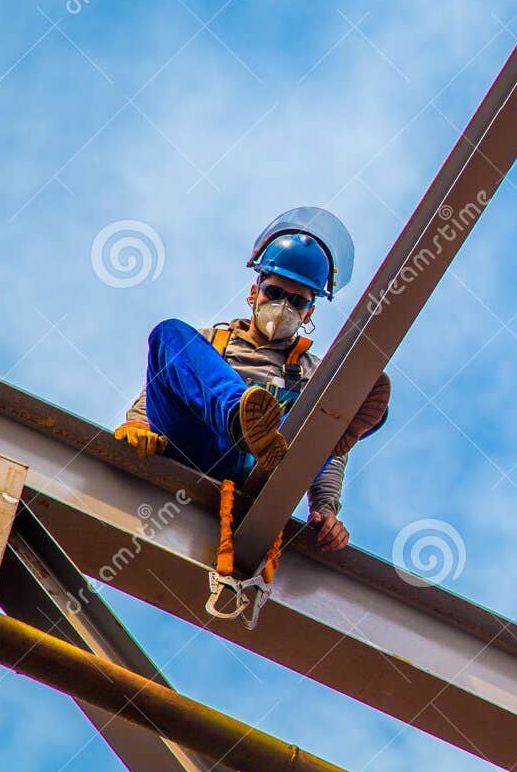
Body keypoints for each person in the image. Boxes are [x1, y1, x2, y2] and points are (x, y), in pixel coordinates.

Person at [114, 207, 390, 552]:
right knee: (169, 335)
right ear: (254, 291)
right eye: (274, 293)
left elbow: (334, 456)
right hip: (202, 447)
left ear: (309, 313)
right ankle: (240, 419)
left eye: (297, 301)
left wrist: (324, 508)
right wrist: (139, 423)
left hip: (267, 465)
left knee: (343, 393)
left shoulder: (313, 373)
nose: (283, 307)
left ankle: (318, 429)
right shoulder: (209, 344)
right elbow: (160, 381)